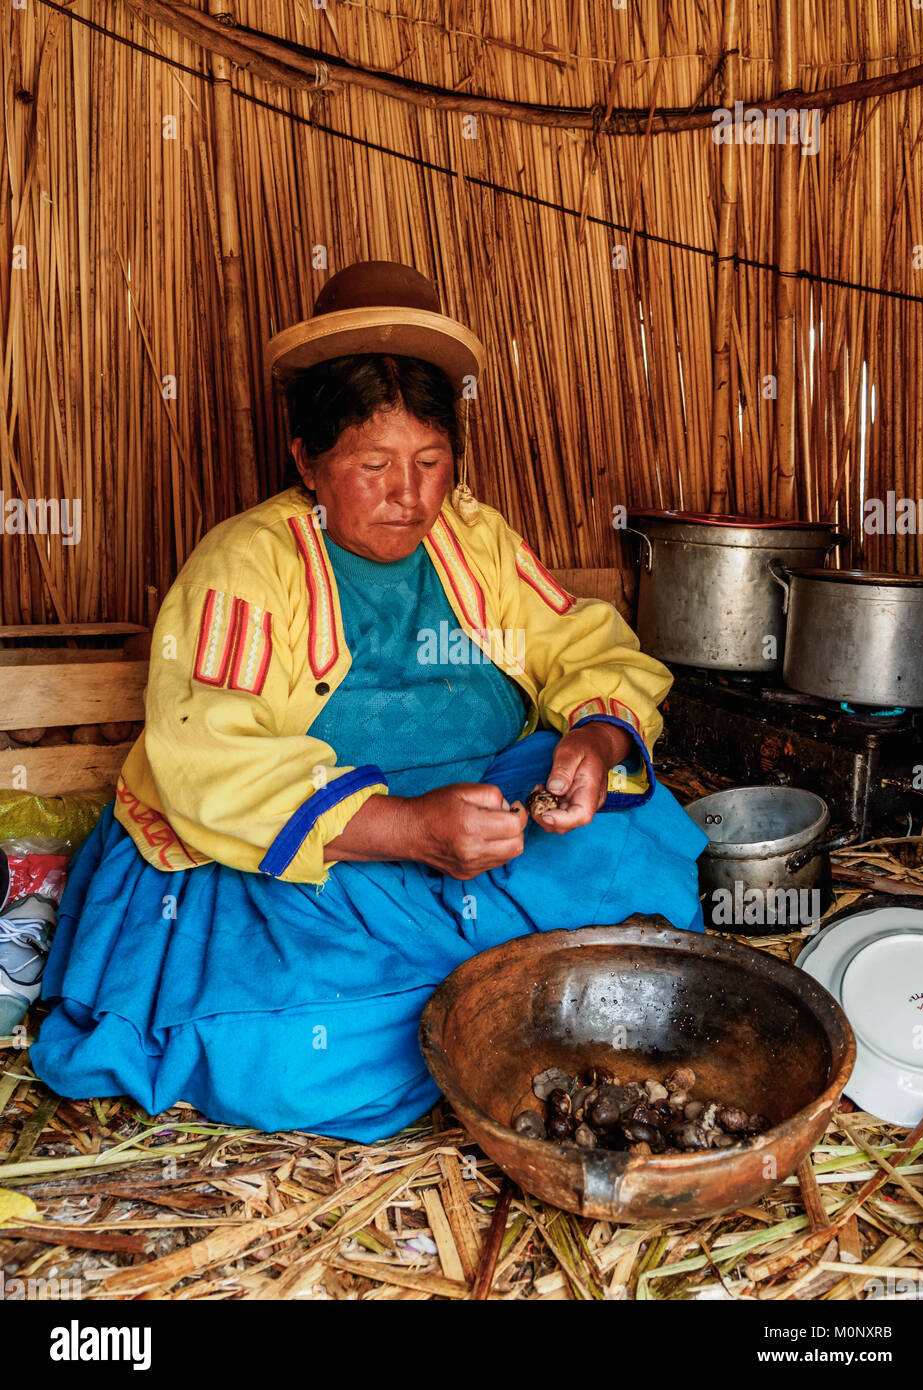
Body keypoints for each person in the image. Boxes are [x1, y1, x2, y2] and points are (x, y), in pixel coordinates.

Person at [31, 261, 708, 1142]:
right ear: (307, 461)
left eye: (431, 462)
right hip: (323, 852)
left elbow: (579, 640)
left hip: (488, 816)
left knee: (636, 856)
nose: (411, 494)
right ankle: (486, 1005)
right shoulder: (245, 564)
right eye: (374, 464)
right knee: (294, 1050)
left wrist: (596, 738)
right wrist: (411, 829)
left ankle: (497, 994)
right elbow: (209, 755)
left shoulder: (472, 537)